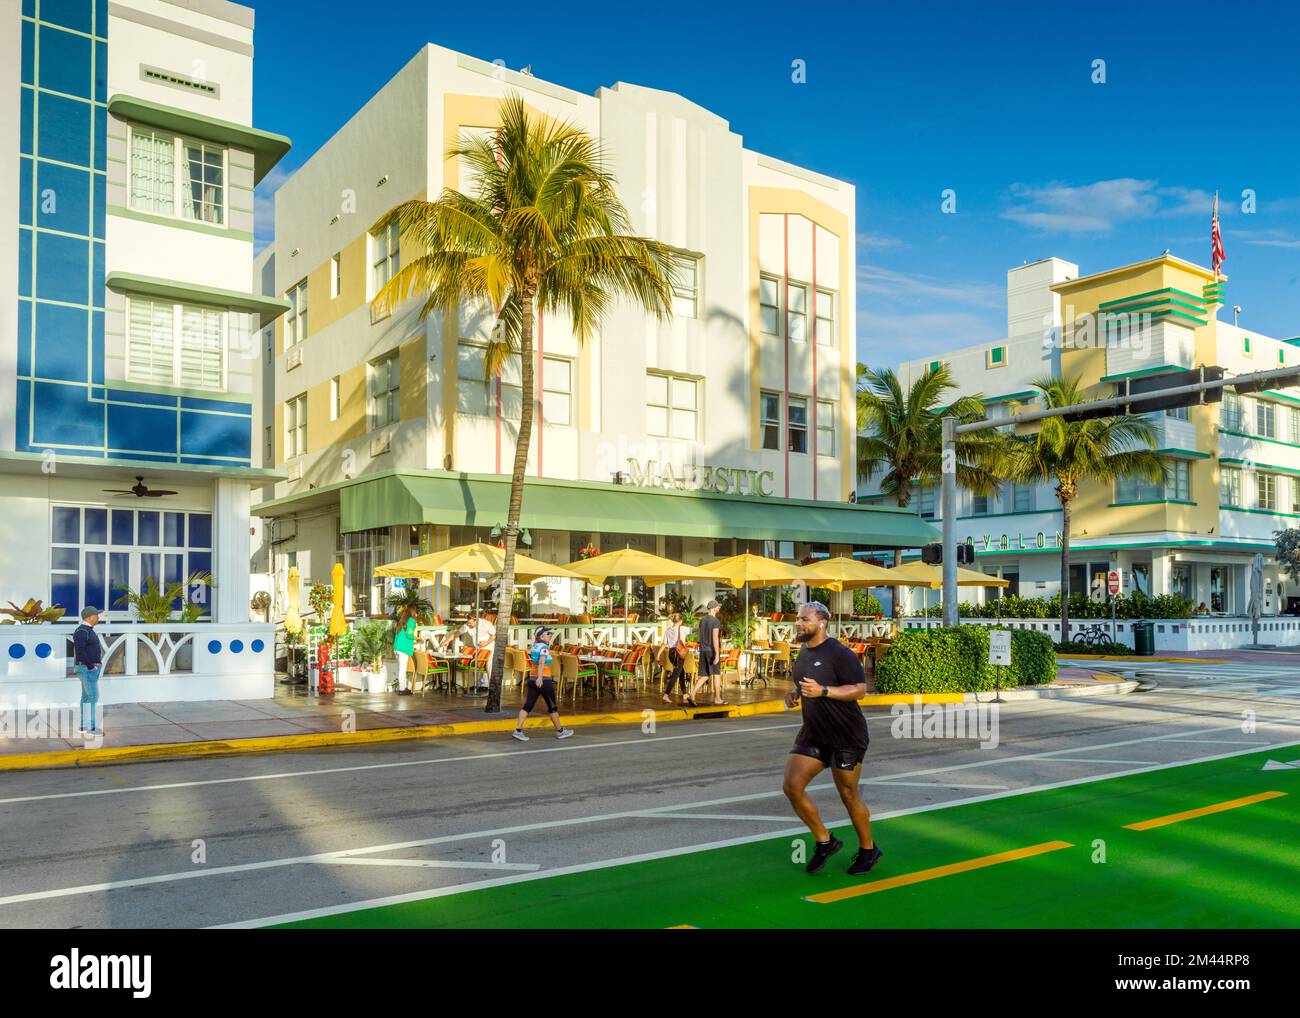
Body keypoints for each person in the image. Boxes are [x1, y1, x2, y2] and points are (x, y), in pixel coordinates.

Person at [782, 601, 882, 876]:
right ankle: (825, 841)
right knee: (792, 786)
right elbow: (805, 685)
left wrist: (824, 691)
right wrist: (795, 694)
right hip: (814, 732)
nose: (799, 623)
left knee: (848, 794)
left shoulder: (840, 653)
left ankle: (868, 849)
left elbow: (860, 689)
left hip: (845, 734)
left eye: (804, 619)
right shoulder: (803, 651)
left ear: (822, 622)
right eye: (798, 618)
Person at [512, 627, 573, 741]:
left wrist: (536, 677)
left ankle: (518, 730)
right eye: (548, 634)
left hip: (532, 679)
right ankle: (560, 731)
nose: (550, 635)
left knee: (527, 705)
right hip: (544, 680)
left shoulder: (535, 646)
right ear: (542, 637)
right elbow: (541, 662)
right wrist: (540, 677)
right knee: (552, 707)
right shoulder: (544, 648)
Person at [73, 606, 104, 736]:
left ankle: (83, 725)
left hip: (88, 668)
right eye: (97, 615)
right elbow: (80, 651)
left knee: (86, 696)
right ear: (90, 617)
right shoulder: (82, 631)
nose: (99, 618)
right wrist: (91, 666)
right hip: (86, 669)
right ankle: (90, 728)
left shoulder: (87, 630)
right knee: (93, 696)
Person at [687, 600, 724, 707]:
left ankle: (692, 694)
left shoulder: (702, 620)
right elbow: (715, 638)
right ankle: (717, 698)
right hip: (711, 651)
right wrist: (717, 654)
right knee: (716, 674)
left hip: (702, 650)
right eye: (717, 607)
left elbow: (700, 634)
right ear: (713, 609)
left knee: (705, 675)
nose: (719, 609)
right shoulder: (715, 621)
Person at [661, 612, 690, 705]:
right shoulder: (683, 629)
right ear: (681, 621)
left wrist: (658, 654)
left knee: (681, 673)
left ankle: (685, 694)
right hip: (679, 653)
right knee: (676, 674)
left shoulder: (668, 630)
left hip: (671, 653)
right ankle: (666, 695)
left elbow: (664, 644)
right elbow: (695, 629)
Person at [392, 611, 417, 695]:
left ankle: (403, 687)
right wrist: (418, 638)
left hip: (397, 648)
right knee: (402, 670)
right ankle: (402, 690)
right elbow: (409, 635)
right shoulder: (411, 621)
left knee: (401, 669)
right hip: (403, 649)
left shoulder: (401, 622)